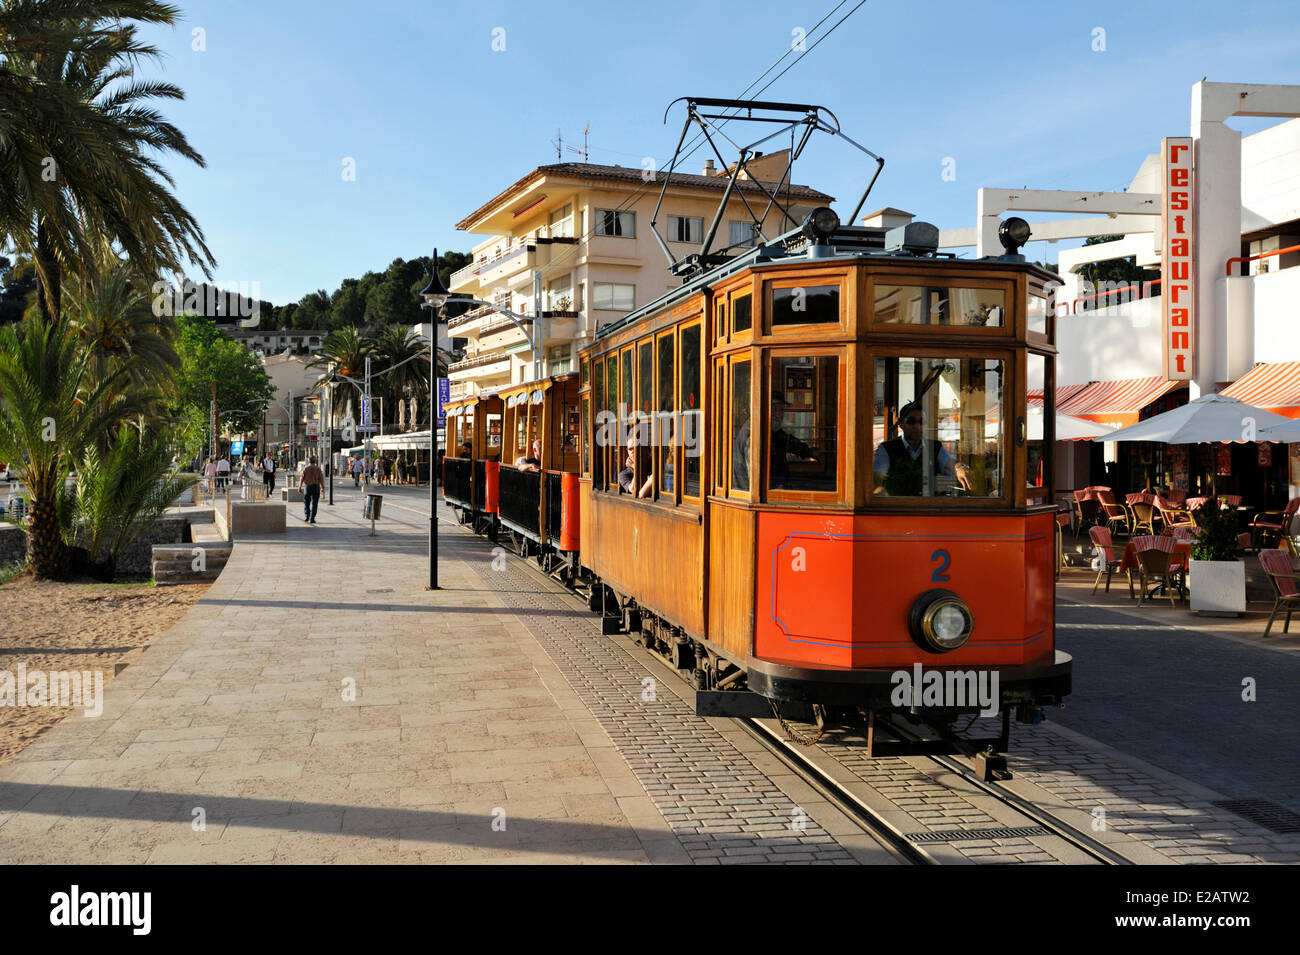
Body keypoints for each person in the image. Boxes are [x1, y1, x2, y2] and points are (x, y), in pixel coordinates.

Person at [872, 401, 970, 496]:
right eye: (911, 421)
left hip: (927, 508)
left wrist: (960, 468)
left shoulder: (935, 447)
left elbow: (949, 463)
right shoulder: (886, 449)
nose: (917, 426)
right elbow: (878, 476)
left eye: (922, 422)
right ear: (901, 424)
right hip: (898, 508)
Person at [299, 454, 324, 523]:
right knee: (314, 503)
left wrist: (300, 487)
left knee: (306, 502)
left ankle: (307, 516)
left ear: (309, 461)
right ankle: (312, 518)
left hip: (308, 487)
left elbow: (301, 479)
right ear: (315, 461)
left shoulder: (305, 469)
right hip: (316, 487)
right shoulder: (318, 469)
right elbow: (321, 479)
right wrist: (322, 487)